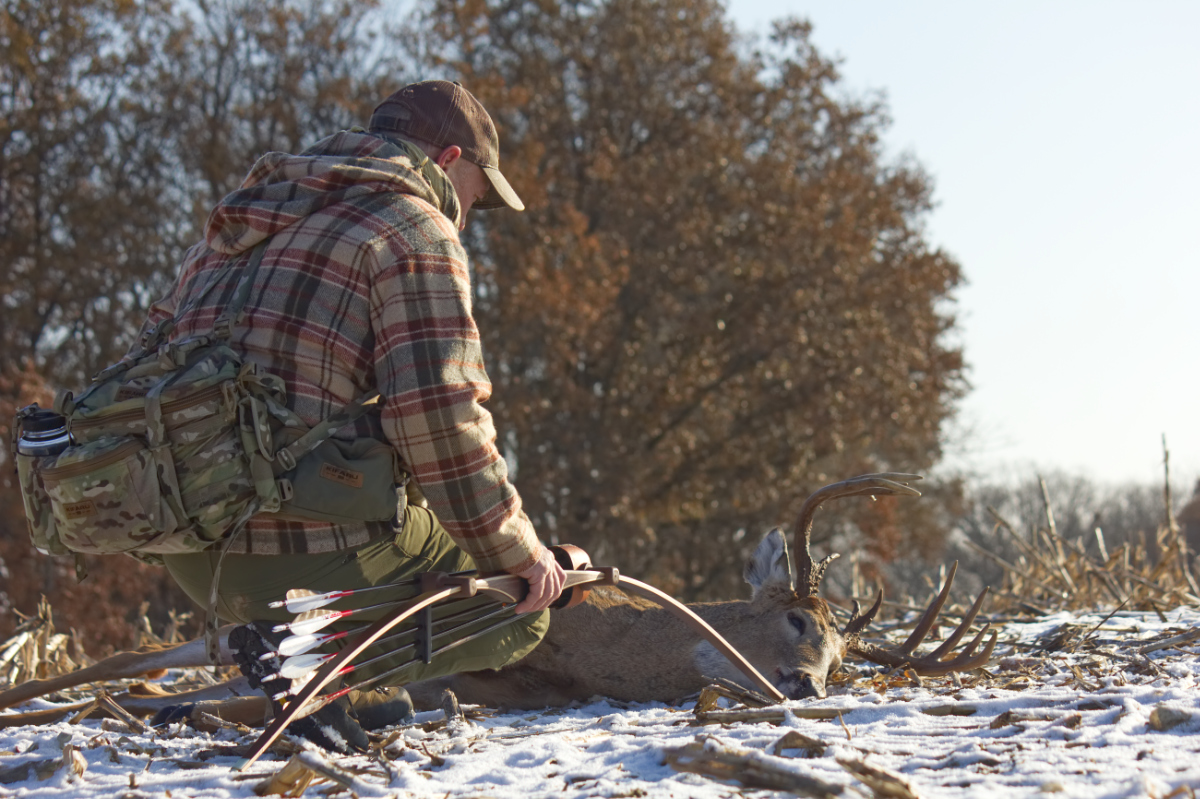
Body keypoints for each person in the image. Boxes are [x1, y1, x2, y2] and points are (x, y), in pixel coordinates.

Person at [134, 80, 566, 749]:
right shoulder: (416, 230)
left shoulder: (244, 219)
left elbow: (142, 364)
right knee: (512, 606)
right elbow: (441, 427)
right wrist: (526, 553)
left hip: (189, 548)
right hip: (291, 555)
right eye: (476, 196)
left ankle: (317, 686)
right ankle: (299, 663)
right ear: (451, 157)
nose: (466, 215)